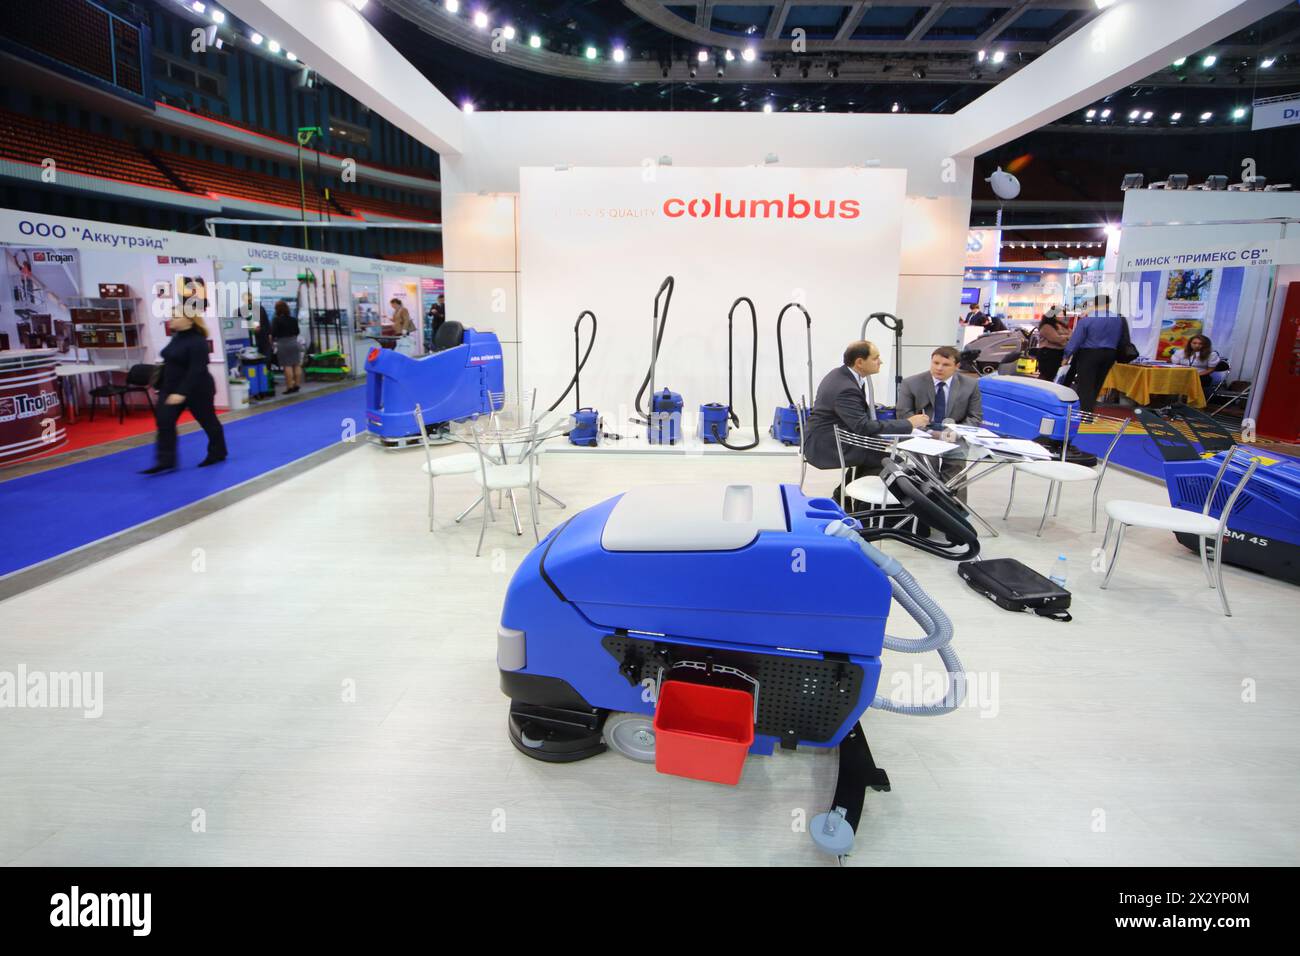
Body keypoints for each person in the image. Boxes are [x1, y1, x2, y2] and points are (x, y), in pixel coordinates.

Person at [804, 340, 929, 507]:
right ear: (860, 362)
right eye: (876, 358)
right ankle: (862, 504)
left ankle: (846, 498)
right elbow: (862, 426)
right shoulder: (846, 387)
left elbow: (857, 422)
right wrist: (908, 423)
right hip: (827, 445)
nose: (881, 362)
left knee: (878, 453)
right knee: (891, 460)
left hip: (829, 436)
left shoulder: (841, 375)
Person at [141, 309, 227, 474]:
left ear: (190, 320)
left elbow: (197, 370)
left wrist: (182, 392)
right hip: (170, 388)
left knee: (208, 421)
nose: (171, 319)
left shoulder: (198, 341)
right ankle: (166, 460)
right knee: (164, 421)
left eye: (176, 316)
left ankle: (218, 452)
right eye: (171, 316)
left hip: (198, 389)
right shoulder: (176, 338)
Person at [896, 346, 983, 506]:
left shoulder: (970, 385)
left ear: (957, 367)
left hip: (954, 434)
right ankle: (927, 511)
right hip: (922, 433)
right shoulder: (911, 383)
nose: (939, 368)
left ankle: (956, 513)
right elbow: (903, 414)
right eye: (935, 363)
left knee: (956, 470)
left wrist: (956, 432)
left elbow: (975, 417)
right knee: (927, 468)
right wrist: (929, 432)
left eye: (945, 365)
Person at [1063, 293, 1130, 412]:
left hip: (1089, 354)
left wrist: (1066, 356)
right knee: (1097, 384)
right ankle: (1089, 409)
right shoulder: (1118, 320)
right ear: (1108, 304)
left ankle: (1084, 413)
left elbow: (1076, 340)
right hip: (1110, 354)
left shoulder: (1087, 320)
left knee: (1085, 384)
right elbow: (1121, 338)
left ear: (1095, 304)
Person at [272, 299, 303, 394]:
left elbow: (274, 333)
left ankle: (289, 387)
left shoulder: (276, 320)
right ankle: (297, 385)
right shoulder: (293, 319)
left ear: (277, 310)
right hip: (294, 343)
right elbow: (297, 331)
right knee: (296, 364)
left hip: (283, 344)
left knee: (287, 366)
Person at [1036, 308, 1071, 382]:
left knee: (1056, 376)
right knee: (1047, 377)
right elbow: (1056, 339)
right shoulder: (1046, 326)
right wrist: (1067, 337)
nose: (1062, 316)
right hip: (1048, 354)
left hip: (1060, 353)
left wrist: (1064, 337)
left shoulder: (1063, 325)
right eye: (1060, 314)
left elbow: (1072, 335)